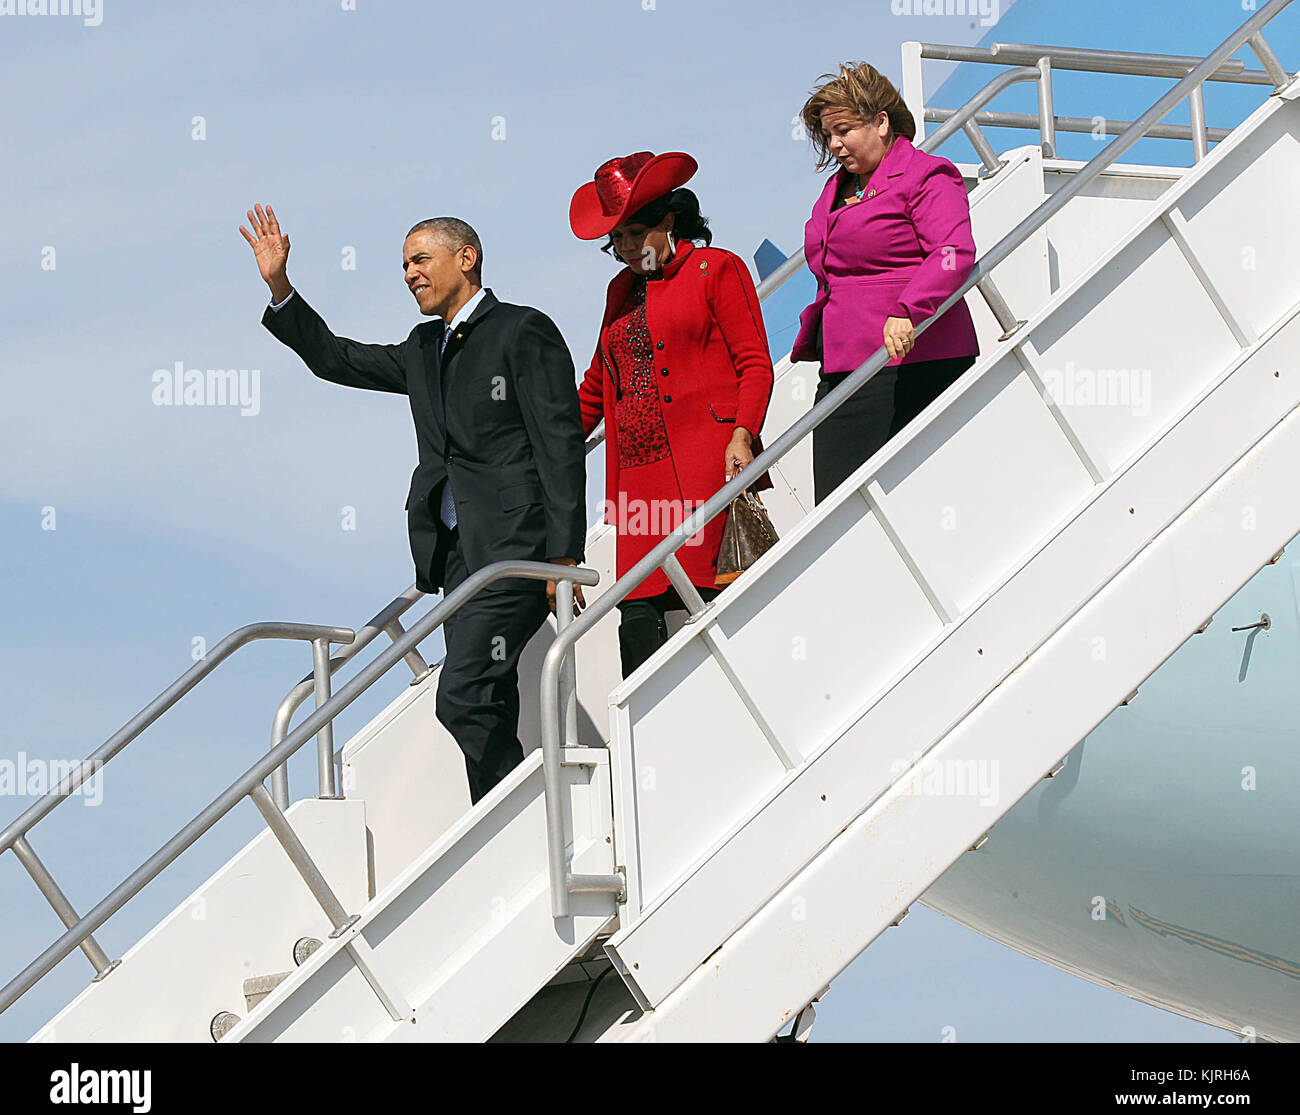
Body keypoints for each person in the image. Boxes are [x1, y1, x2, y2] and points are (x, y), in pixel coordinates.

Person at [240, 204, 587, 803]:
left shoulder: (522, 330)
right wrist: (280, 288)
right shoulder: (423, 347)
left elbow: (561, 447)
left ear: (466, 258)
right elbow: (335, 359)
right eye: (404, 265)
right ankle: (508, 820)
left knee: (463, 693)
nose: (409, 274)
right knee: (490, 698)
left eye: (421, 259)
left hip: (517, 546)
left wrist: (563, 557)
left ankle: (516, 812)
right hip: (455, 554)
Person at [569, 152, 775, 678]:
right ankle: (648, 729)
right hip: (638, 479)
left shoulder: (717, 268)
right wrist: (540, 438)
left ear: (668, 221)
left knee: (712, 597)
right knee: (638, 607)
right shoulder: (618, 291)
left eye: (637, 234)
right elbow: (597, 386)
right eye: (617, 242)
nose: (628, 249)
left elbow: (754, 363)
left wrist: (743, 434)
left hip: (707, 467)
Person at [791, 62, 980, 504]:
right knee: (838, 508)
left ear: (880, 122)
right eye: (827, 135)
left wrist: (907, 309)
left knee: (918, 500)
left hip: (914, 362)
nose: (834, 145)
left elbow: (953, 252)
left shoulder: (927, 174)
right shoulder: (838, 188)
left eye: (843, 130)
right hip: (843, 365)